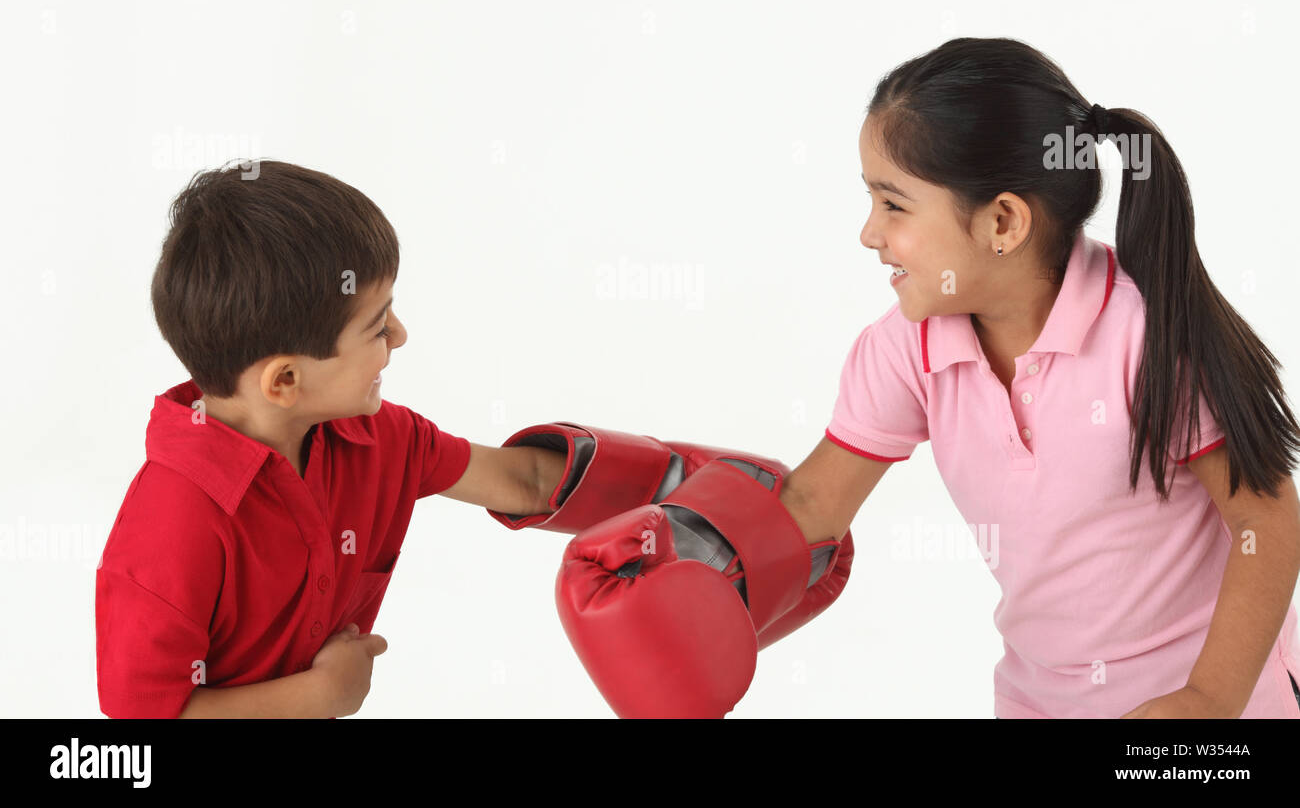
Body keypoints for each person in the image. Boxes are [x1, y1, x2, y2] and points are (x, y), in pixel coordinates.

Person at [555, 37, 1300, 718]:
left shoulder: (1148, 333)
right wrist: (476, 472)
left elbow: (1265, 518)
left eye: (893, 203)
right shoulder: (907, 348)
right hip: (1039, 703)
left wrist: (1209, 698)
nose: (869, 232)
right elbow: (812, 504)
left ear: (1002, 224)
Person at [97, 160, 849, 718]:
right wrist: (321, 693)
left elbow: (521, 482)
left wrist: (739, 500)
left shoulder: (374, 437)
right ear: (285, 382)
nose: (399, 334)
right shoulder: (174, 520)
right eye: (374, 325)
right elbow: (140, 724)